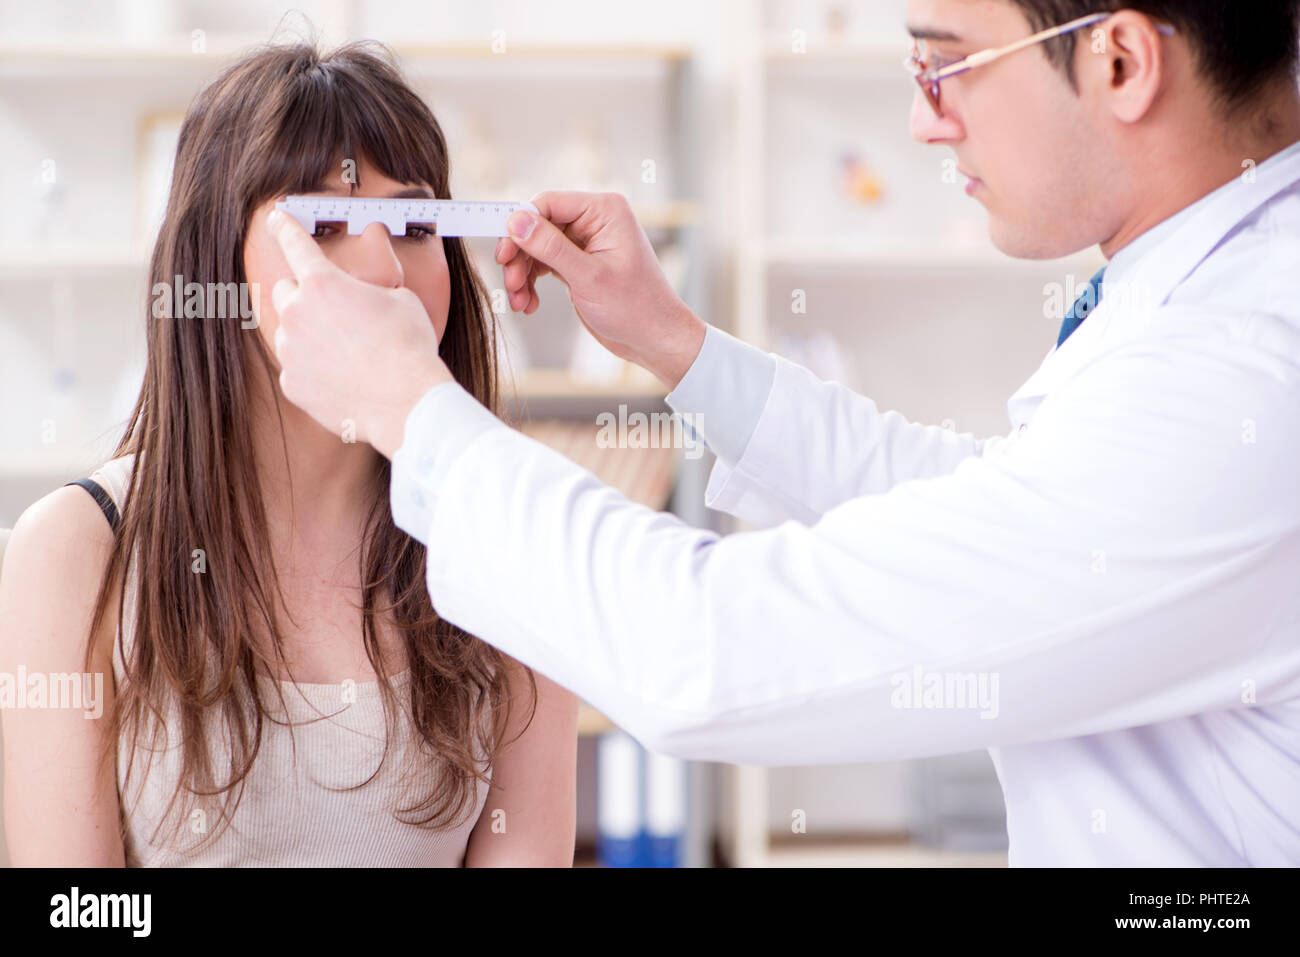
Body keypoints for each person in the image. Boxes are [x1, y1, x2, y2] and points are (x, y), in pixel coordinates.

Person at [270, 0, 1299, 866]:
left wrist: (413, 412)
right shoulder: (1198, 313)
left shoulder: (1238, 375)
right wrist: (677, 346)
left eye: (944, 67)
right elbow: (987, 505)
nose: (922, 121)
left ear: (1119, 60)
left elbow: (709, 652)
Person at [0, 42, 577, 867]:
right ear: (214, 264)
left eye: (416, 224)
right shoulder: (75, 550)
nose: (385, 267)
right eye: (327, 223)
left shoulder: (513, 546)